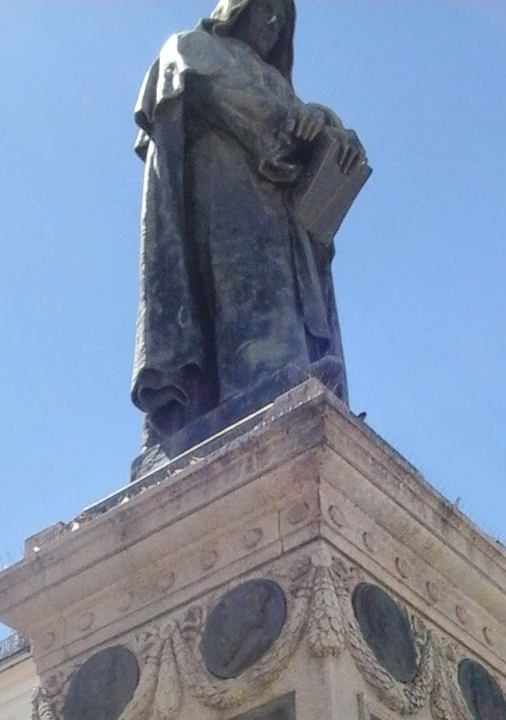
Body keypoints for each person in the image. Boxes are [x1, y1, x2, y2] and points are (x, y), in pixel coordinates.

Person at [131, 0, 366, 462]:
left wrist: (329, 128)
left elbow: (303, 132)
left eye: (284, 17)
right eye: (266, 8)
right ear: (237, 8)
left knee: (284, 328)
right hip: (227, 207)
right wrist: (298, 126)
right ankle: (256, 398)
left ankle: (285, 392)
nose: (274, 23)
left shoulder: (278, 85)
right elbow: (247, 109)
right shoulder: (193, 48)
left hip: (283, 229)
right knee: (251, 318)